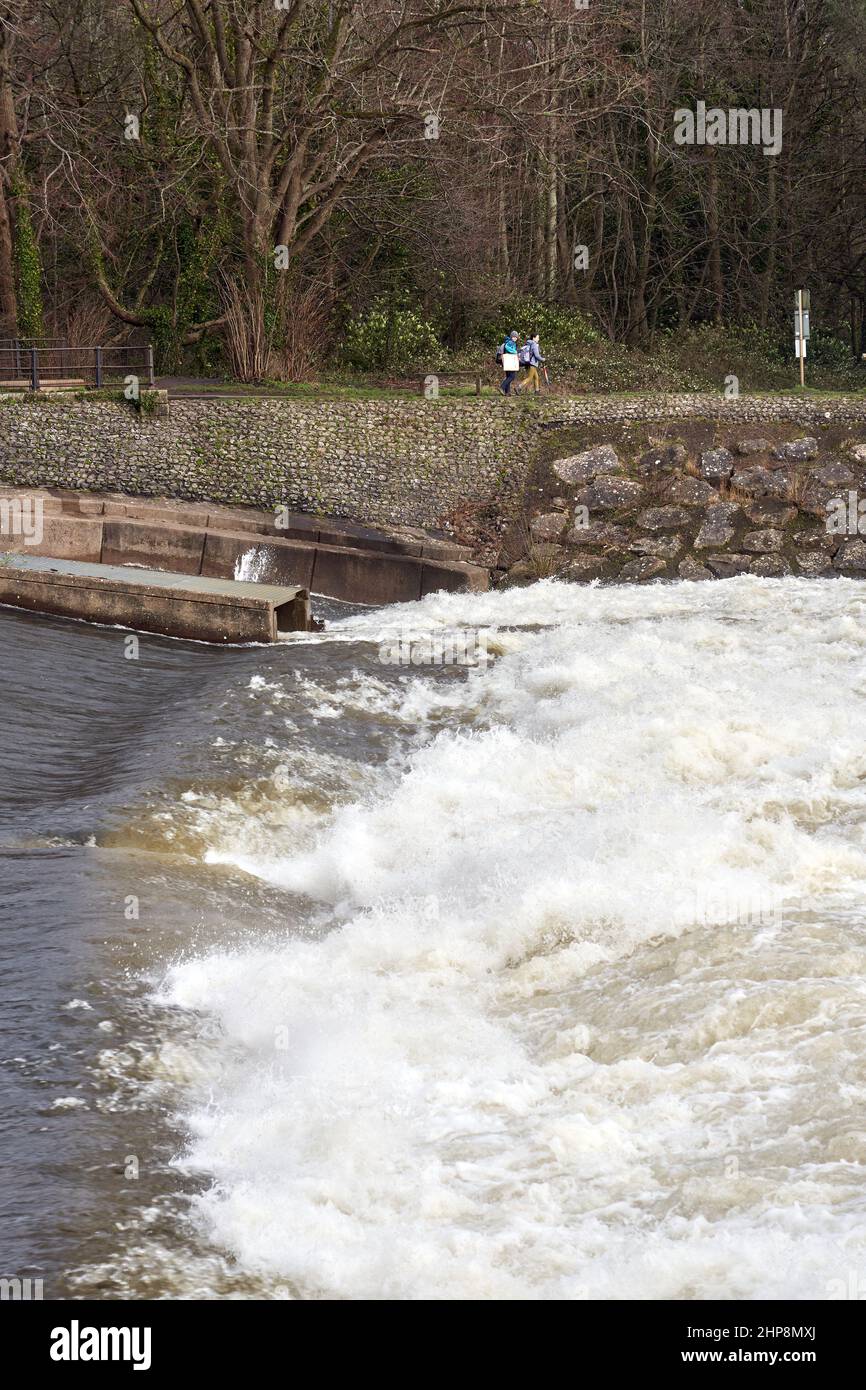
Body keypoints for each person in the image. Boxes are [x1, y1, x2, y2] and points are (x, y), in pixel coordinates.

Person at [498, 330, 521, 395]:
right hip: (510, 361)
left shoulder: (510, 342)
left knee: (508, 376)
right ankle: (502, 387)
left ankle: (507, 392)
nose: (515, 338)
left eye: (516, 337)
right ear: (511, 337)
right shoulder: (510, 343)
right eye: (514, 337)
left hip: (508, 361)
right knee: (512, 376)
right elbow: (508, 349)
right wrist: (515, 352)